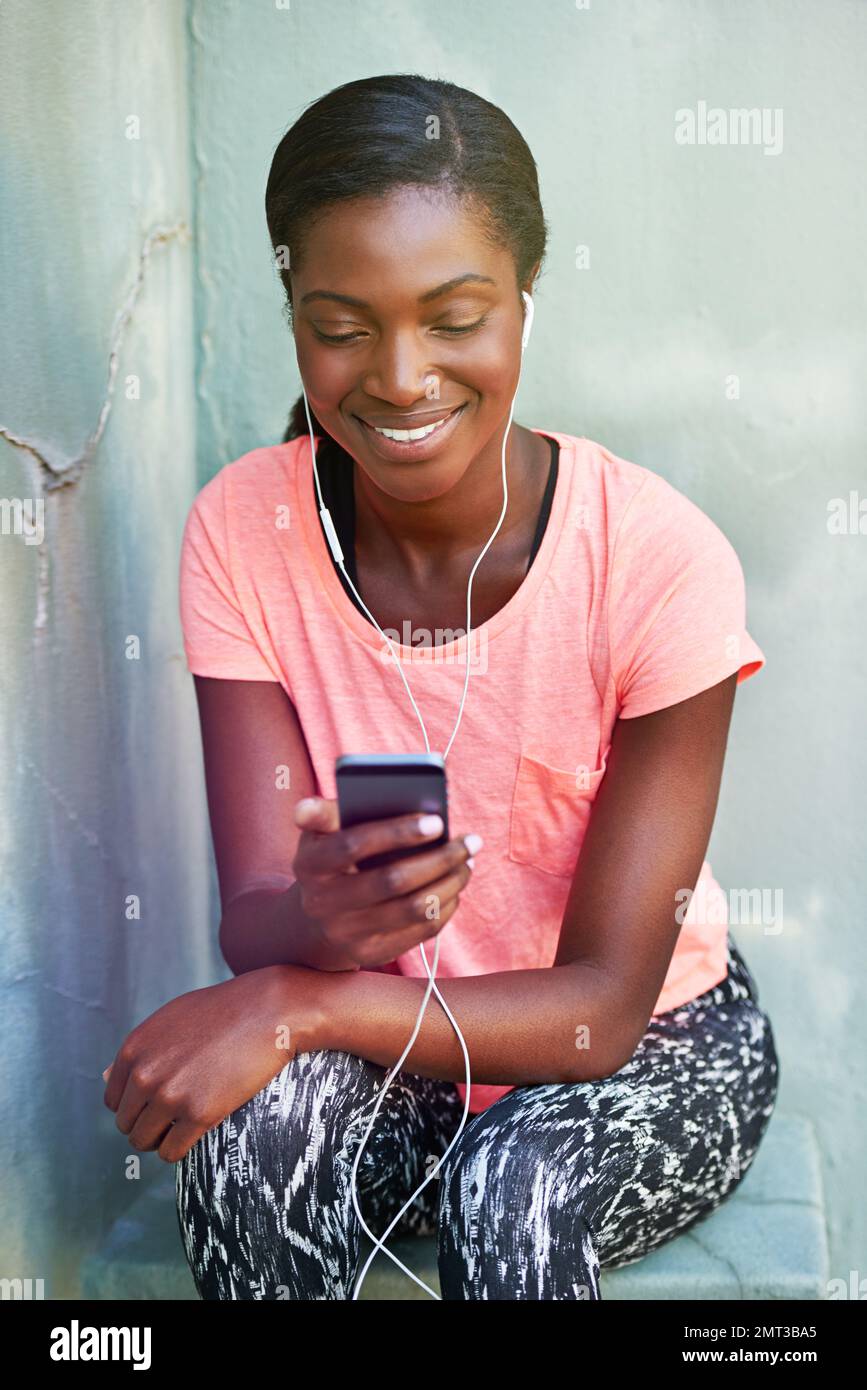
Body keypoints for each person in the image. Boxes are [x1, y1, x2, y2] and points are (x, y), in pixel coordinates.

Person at [103, 74, 780, 1301]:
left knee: (511, 1183)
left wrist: (296, 1008)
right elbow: (253, 915)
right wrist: (319, 926)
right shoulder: (243, 530)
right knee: (247, 1147)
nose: (401, 377)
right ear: (294, 311)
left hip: (648, 1045)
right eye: (342, 324)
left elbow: (604, 1011)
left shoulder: (659, 560)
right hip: (396, 1047)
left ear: (524, 301)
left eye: (454, 315)